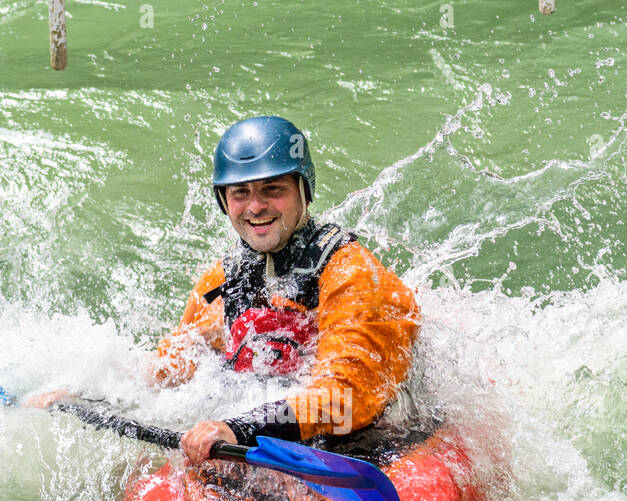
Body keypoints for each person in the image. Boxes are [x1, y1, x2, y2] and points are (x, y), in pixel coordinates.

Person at [27, 116, 418, 464]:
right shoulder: (222, 280)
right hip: (257, 442)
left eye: (272, 189)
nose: (256, 207)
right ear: (223, 199)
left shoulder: (350, 272)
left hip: (366, 447)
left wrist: (238, 429)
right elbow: (174, 369)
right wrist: (89, 396)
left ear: (304, 190)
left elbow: (345, 397)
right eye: (240, 193)